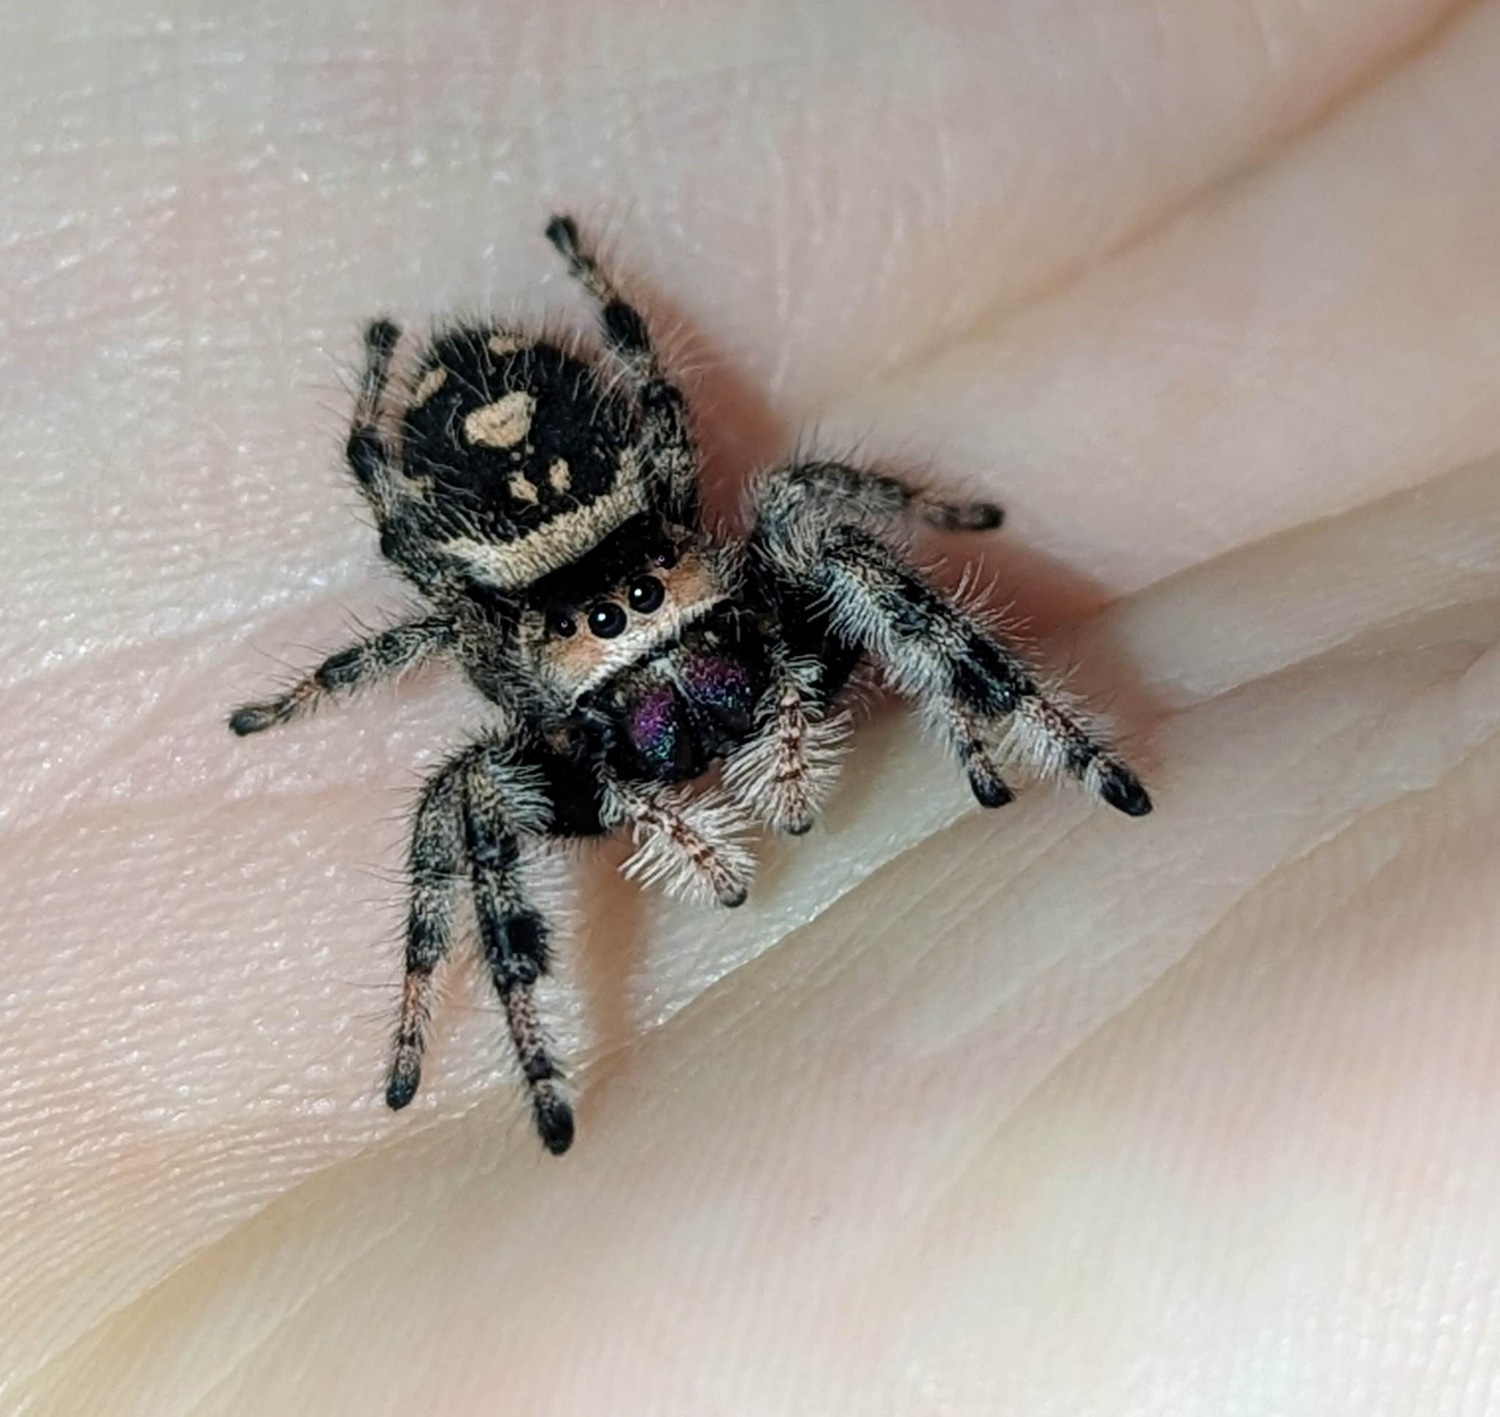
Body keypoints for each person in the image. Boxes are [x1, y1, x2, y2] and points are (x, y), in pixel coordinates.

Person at [4, 0, 1498, 1410]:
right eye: (676, 712)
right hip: (527, 534)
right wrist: (422, 959)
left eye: (711, 683)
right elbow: (432, 631)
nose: (700, 727)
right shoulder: (507, 654)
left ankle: (1035, 726)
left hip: (588, 506)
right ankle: (517, 1030)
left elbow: (743, 467)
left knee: (817, 523)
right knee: (466, 797)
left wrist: (998, 685)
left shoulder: (729, 566)